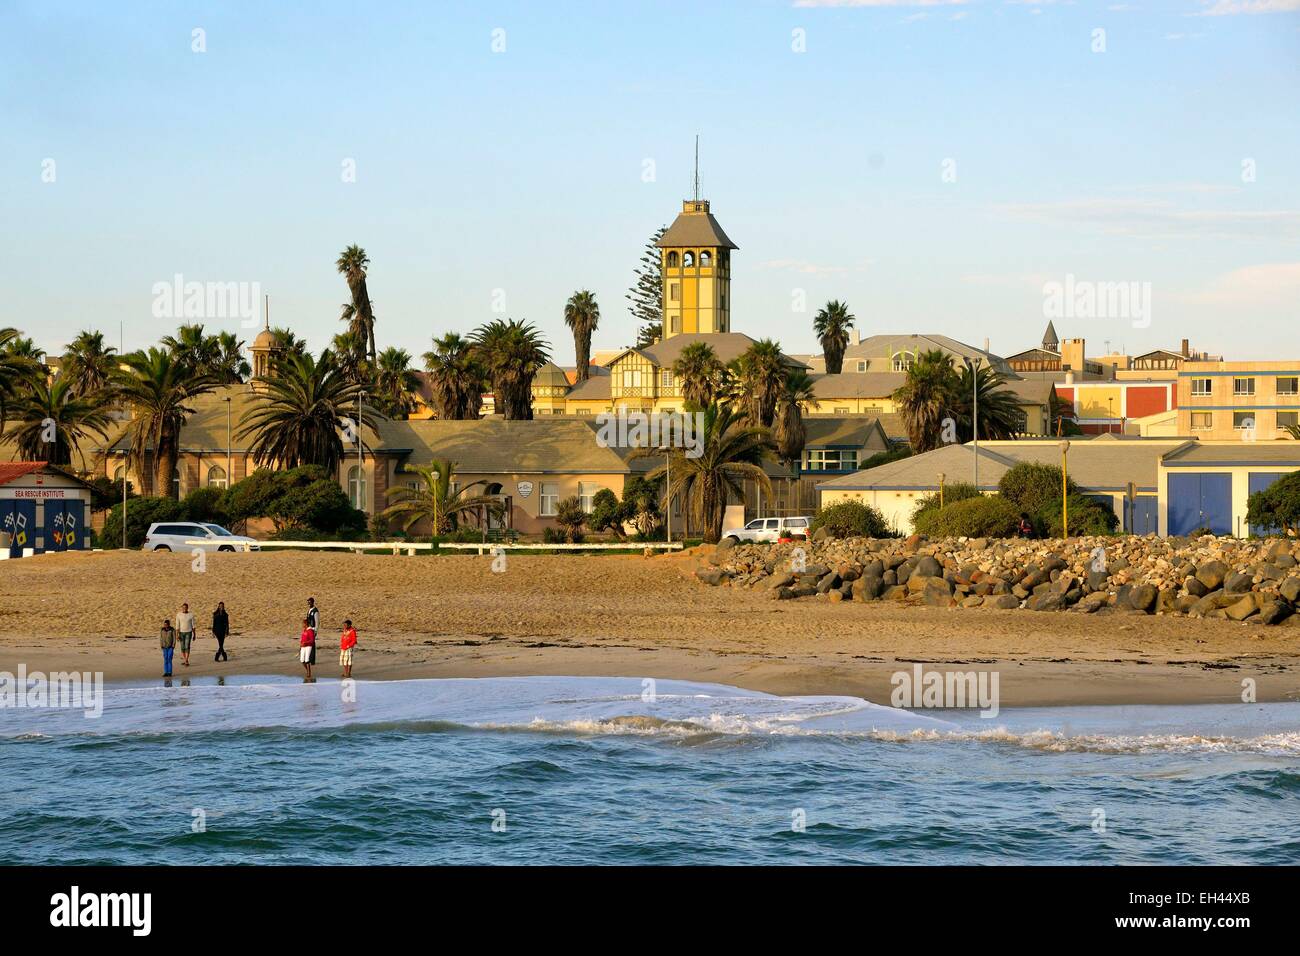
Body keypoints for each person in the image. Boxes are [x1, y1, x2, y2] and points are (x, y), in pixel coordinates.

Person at [176, 603, 196, 667]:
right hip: (181, 633)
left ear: (187, 608)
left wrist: (194, 634)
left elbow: (193, 625)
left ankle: (186, 660)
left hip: (189, 632)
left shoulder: (191, 615)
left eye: (186, 607)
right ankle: (185, 659)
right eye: (183, 607)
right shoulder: (179, 615)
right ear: (182, 608)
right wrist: (177, 635)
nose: (184, 608)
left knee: (187, 646)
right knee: (182, 647)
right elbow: (177, 625)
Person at [305, 598, 320, 667]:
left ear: (313, 602)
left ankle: (312, 660)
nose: (309, 603)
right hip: (308, 629)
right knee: (309, 644)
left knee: (312, 644)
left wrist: (315, 631)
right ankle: (309, 658)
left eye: (310, 602)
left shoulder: (315, 611)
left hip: (313, 629)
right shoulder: (309, 610)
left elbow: (317, 622)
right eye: (308, 602)